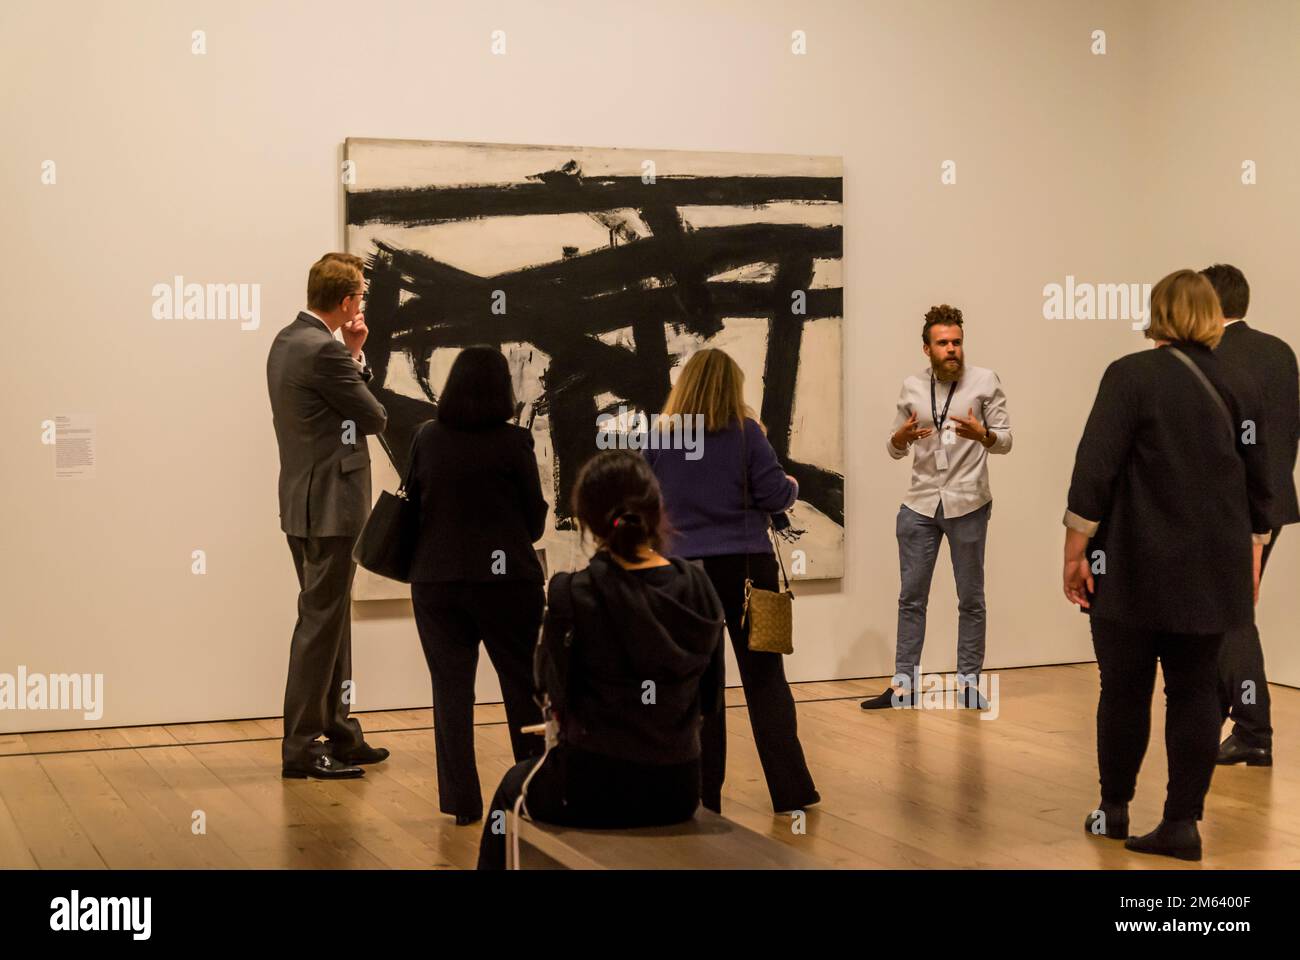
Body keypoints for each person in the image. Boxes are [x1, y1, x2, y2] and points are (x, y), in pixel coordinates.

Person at [1064, 269, 1277, 861]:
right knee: (1195, 694)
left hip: (1132, 566)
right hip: (1213, 571)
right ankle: (1182, 824)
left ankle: (1113, 810)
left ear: (1159, 313)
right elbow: (1263, 486)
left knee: (1124, 690)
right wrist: (1252, 559)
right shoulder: (1242, 382)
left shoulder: (1129, 375)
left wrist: (1075, 552)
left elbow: (1094, 469)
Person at [477, 451, 724, 869]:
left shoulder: (572, 592)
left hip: (591, 786)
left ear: (586, 520)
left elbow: (549, 691)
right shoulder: (697, 585)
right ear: (655, 507)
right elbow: (709, 700)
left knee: (510, 790)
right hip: (677, 789)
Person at [646, 348, 819, 815]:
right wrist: (793, 485)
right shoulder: (746, 435)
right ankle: (791, 793)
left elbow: (646, 500)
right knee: (765, 679)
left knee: (702, 685)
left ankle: (704, 798)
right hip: (745, 567)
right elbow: (775, 493)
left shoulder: (662, 437)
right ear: (733, 387)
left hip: (682, 574)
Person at [405, 346, 549, 825]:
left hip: (436, 581)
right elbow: (533, 523)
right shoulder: (514, 442)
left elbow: (415, 506)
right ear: (501, 389)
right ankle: (532, 792)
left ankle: (462, 802)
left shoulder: (426, 437)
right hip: (506, 583)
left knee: (450, 692)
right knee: (523, 688)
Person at [266, 252, 389, 779]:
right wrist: (355, 358)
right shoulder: (326, 353)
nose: (362, 302)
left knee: (330, 621)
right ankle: (301, 746)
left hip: (301, 502)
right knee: (320, 626)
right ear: (347, 302)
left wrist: (351, 352)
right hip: (333, 508)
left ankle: (339, 731)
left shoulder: (287, 341)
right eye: (360, 294)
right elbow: (374, 415)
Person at [862, 304, 1012, 711]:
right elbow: (893, 450)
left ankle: (968, 683)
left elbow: (1007, 439)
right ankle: (903, 687)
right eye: (943, 343)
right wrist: (901, 437)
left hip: (968, 503)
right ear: (926, 348)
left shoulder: (984, 382)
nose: (952, 349)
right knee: (911, 598)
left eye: (957, 342)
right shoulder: (911, 386)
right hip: (920, 504)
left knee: (971, 599)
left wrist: (985, 436)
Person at [1201, 264, 1300, 767]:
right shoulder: (1280, 351)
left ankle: (1254, 728)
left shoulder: (1212, 356)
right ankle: (1217, 715)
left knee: (1230, 618)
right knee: (1230, 612)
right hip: (1274, 502)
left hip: (1229, 508)